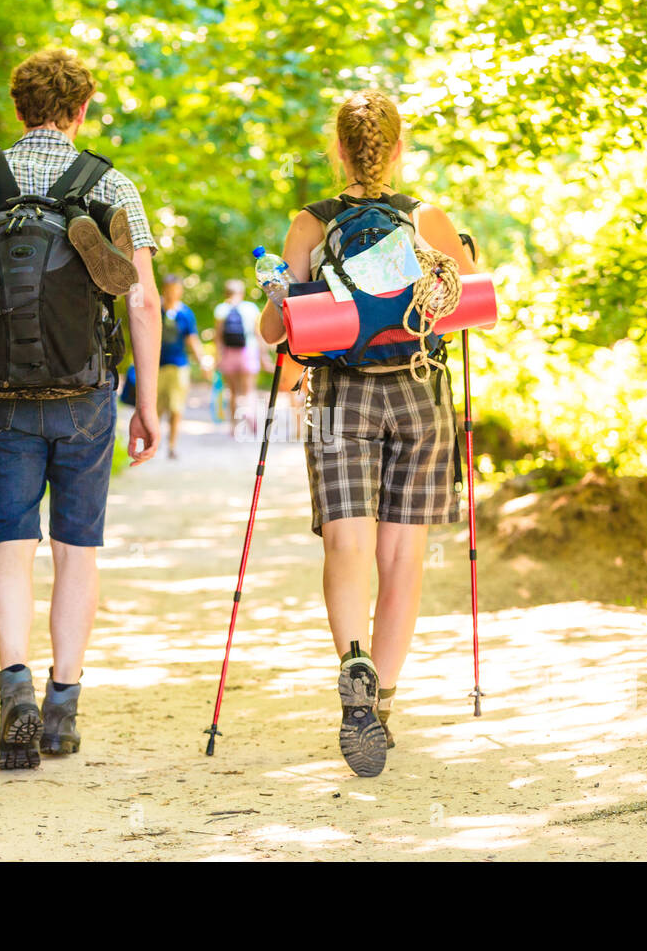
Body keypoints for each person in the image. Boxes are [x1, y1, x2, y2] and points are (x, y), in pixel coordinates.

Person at [0, 47, 162, 770]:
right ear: (81, 110)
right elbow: (141, 301)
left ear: (19, 109)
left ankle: (14, 688)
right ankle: (61, 708)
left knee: (11, 545)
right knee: (77, 549)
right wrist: (145, 402)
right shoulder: (110, 183)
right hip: (84, 394)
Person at [257, 89, 479, 778]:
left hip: (341, 396)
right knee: (401, 559)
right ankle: (379, 698)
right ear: (398, 146)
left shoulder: (310, 225)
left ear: (339, 149)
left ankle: (350, 657)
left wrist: (275, 294)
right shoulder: (427, 219)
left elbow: (278, 335)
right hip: (418, 391)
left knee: (346, 545)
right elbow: (471, 310)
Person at [158, 274, 211, 458]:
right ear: (164, 289)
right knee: (156, 408)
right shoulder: (155, 309)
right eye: (170, 289)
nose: (173, 293)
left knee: (175, 408)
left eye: (176, 290)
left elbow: (192, 340)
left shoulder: (185, 313)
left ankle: (172, 445)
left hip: (179, 366)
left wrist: (203, 362)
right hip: (156, 367)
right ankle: (154, 443)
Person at [214, 279, 263, 438]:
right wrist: (264, 356)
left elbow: (218, 336)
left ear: (225, 293)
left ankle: (234, 427)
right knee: (249, 390)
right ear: (241, 293)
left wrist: (218, 358)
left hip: (229, 354)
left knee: (233, 391)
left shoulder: (221, 309)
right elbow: (258, 334)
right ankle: (250, 417)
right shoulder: (250, 308)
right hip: (248, 352)